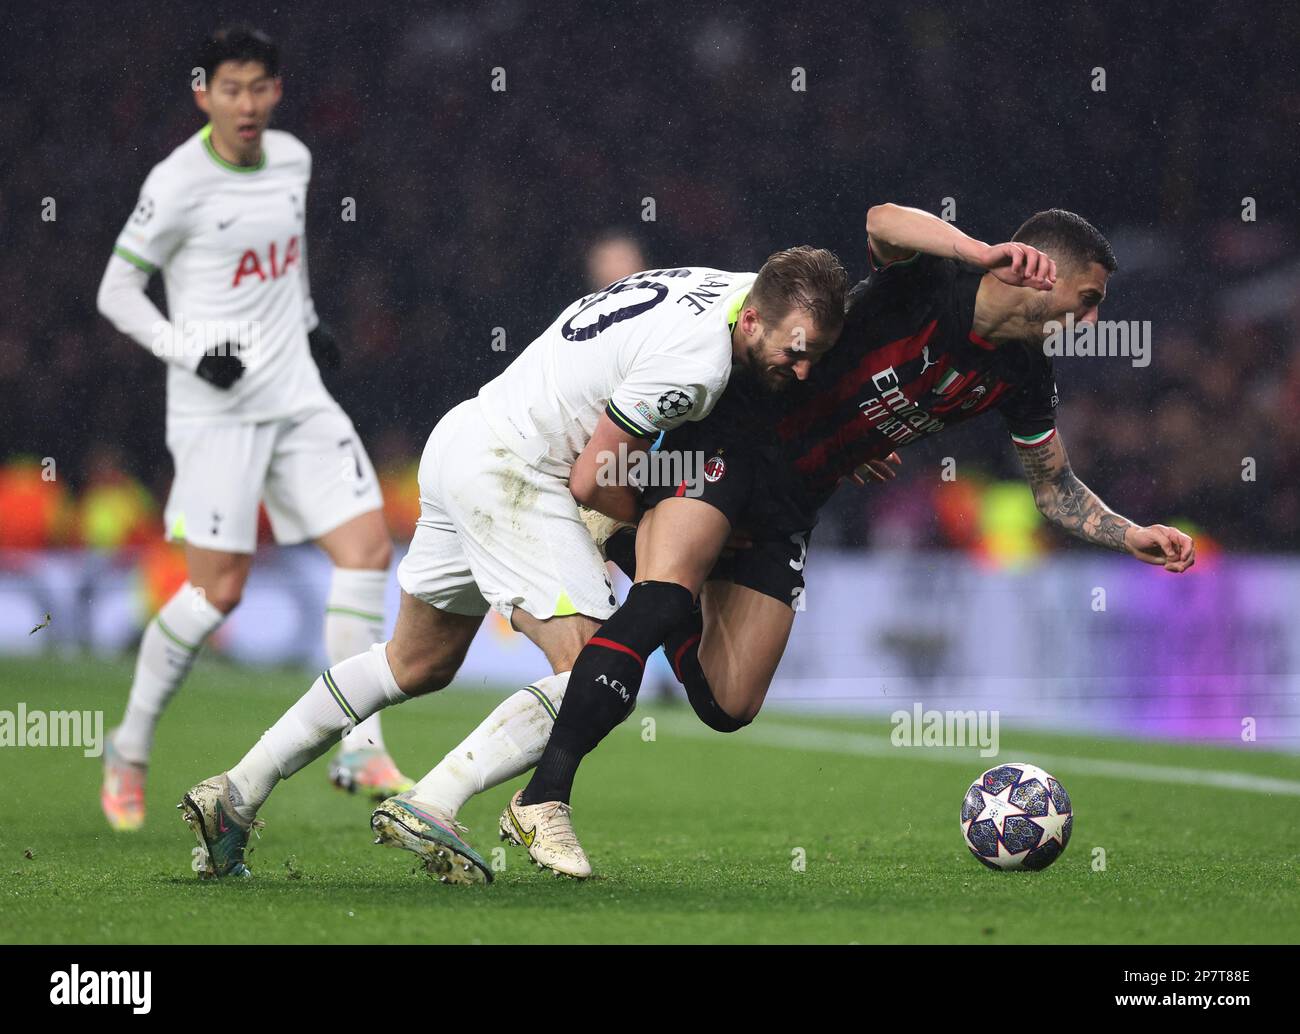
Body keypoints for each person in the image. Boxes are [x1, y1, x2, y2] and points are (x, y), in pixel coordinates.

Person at [490, 204, 1195, 877]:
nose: (1094, 319)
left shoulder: (1025, 373)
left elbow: (1053, 485)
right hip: (740, 438)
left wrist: (1131, 533)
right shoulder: (936, 278)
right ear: (1040, 270)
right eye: (1089, 297)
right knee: (664, 598)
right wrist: (978, 250)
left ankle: (628, 546)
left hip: (796, 500)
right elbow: (881, 222)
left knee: (727, 704)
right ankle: (543, 797)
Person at [179, 249, 849, 881]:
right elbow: (594, 480)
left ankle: (234, 794)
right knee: (595, 664)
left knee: (415, 662)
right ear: (756, 321)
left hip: (466, 439)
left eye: (814, 356)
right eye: (796, 354)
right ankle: (435, 800)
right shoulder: (696, 366)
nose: (802, 371)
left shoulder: (735, 290)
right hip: (518, 471)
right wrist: (649, 536)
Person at [95, 25, 407, 831]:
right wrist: (189, 353)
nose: (245, 103)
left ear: (276, 91)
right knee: (216, 592)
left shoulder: (294, 160)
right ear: (204, 94)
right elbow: (117, 292)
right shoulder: (178, 182)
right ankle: (128, 747)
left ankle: (357, 745)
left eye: (258, 87)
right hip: (216, 412)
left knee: (368, 548)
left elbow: (288, 259)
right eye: (228, 89)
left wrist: (307, 320)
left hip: (296, 394)